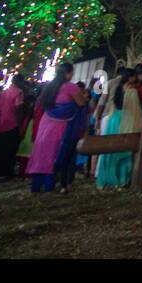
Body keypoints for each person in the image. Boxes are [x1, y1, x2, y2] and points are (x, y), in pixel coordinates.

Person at [26, 63, 90, 193]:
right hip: (59, 125)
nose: (72, 75)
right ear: (67, 73)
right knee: (53, 154)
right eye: (72, 73)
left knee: (40, 153)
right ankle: (49, 185)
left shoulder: (50, 86)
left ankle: (36, 186)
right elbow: (81, 103)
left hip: (45, 122)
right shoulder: (70, 87)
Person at [96, 69, 142, 189]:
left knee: (110, 150)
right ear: (131, 77)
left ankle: (106, 179)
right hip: (125, 120)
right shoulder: (132, 91)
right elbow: (135, 110)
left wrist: (97, 117)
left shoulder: (116, 87)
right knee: (123, 150)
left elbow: (103, 101)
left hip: (113, 119)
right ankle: (120, 180)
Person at [0, 75, 27, 179]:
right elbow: (18, 108)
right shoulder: (18, 92)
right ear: (20, 82)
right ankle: (6, 173)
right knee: (9, 150)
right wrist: (19, 124)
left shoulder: (3, 93)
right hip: (11, 124)